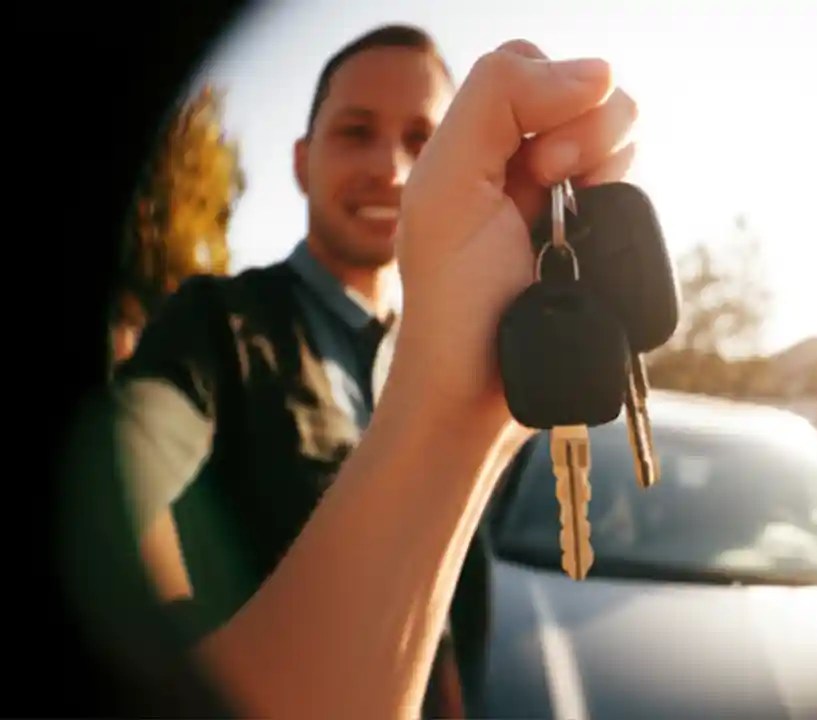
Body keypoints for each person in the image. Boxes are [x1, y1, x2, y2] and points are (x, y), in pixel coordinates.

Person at [108, 20, 638, 718]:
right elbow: (116, 486)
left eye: (422, 141)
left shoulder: (492, 337)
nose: (390, 168)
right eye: (355, 132)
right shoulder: (212, 325)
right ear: (302, 162)